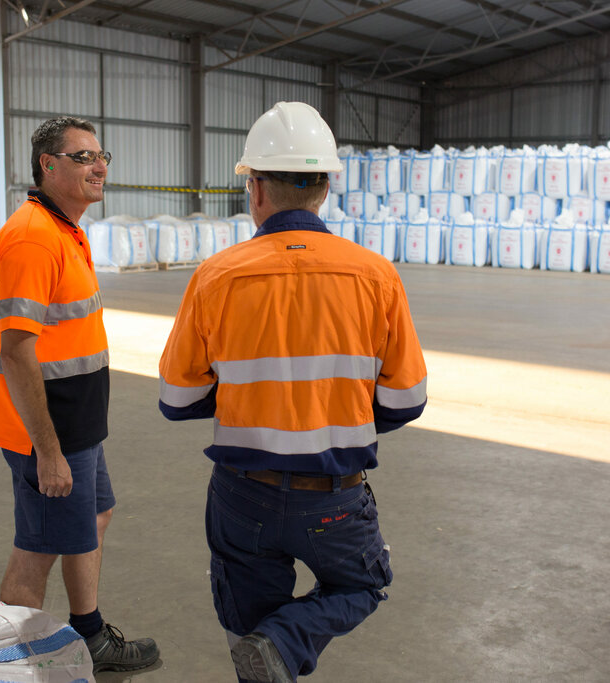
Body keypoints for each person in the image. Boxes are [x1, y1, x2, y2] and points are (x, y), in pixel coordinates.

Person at [158, 102, 428, 682]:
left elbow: (178, 399)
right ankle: (285, 642)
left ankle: (271, 648)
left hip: (243, 494)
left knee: (248, 634)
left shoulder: (216, 275)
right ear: (325, 187)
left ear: (254, 188)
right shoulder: (376, 275)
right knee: (362, 583)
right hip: (333, 495)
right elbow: (405, 400)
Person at [0, 116, 158, 673]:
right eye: (83, 157)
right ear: (48, 166)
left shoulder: (65, 230)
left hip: (76, 423)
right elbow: (16, 350)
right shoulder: (34, 239)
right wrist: (48, 451)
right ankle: (13, 664)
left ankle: (89, 635)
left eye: (100, 155)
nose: (99, 165)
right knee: (36, 549)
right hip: (47, 432)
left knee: (97, 516)